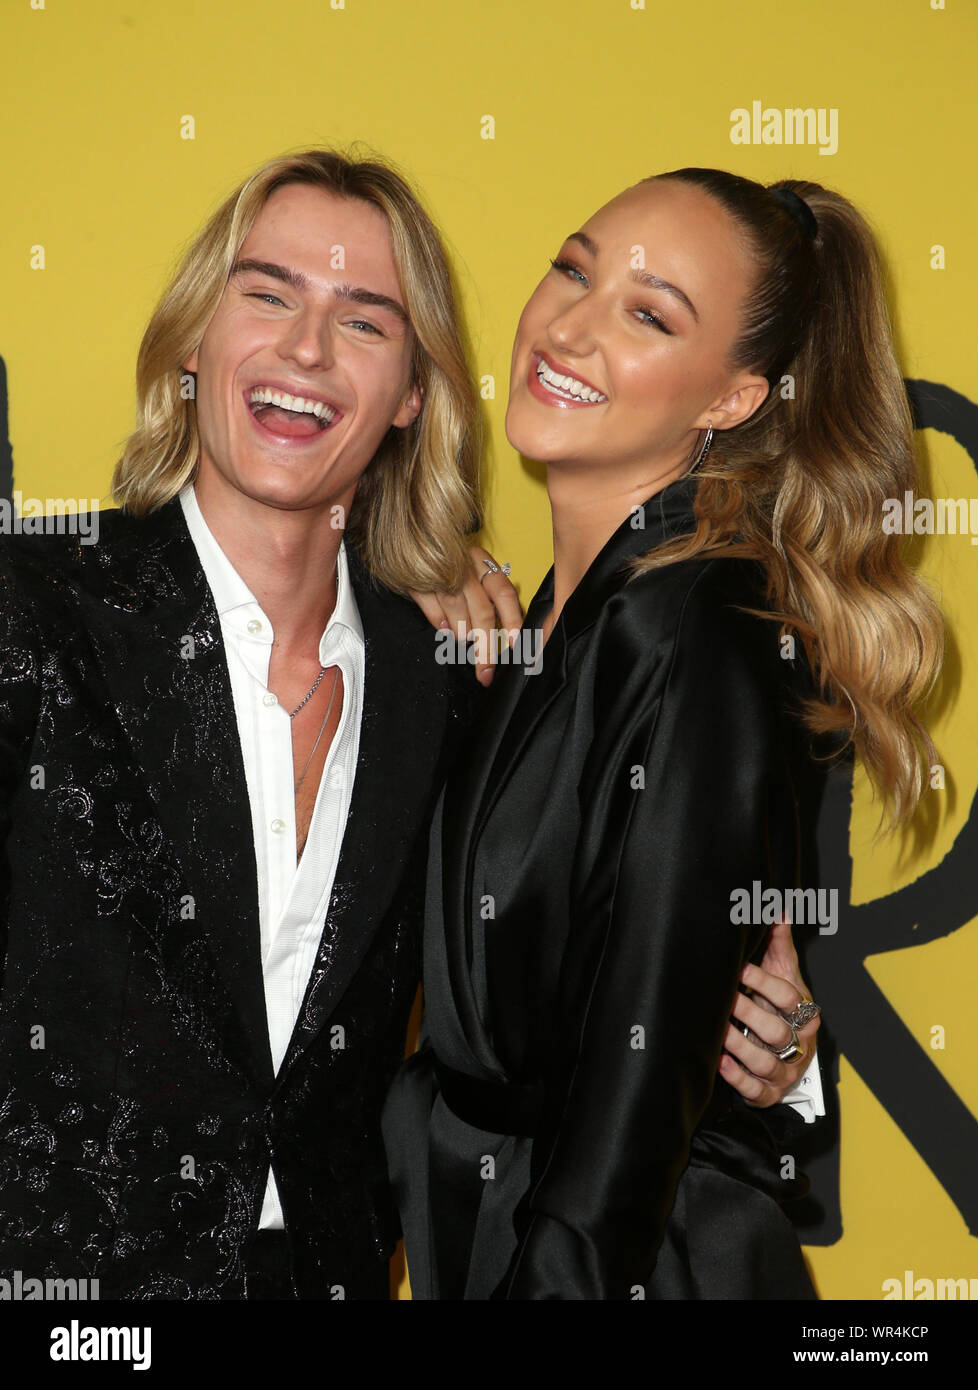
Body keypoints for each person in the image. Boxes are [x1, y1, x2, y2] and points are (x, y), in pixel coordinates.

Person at [0, 148, 817, 1301]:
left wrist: (762, 1055)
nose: (305, 349)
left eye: (366, 321)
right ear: (194, 338)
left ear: (415, 393)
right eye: (268, 292)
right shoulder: (34, 609)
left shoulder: (447, 678)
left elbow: (600, 964)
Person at [382, 168, 943, 1300]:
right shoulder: (572, 608)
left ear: (732, 400)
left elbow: (624, 1145)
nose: (571, 327)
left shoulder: (698, 635)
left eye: (649, 314)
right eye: (575, 269)